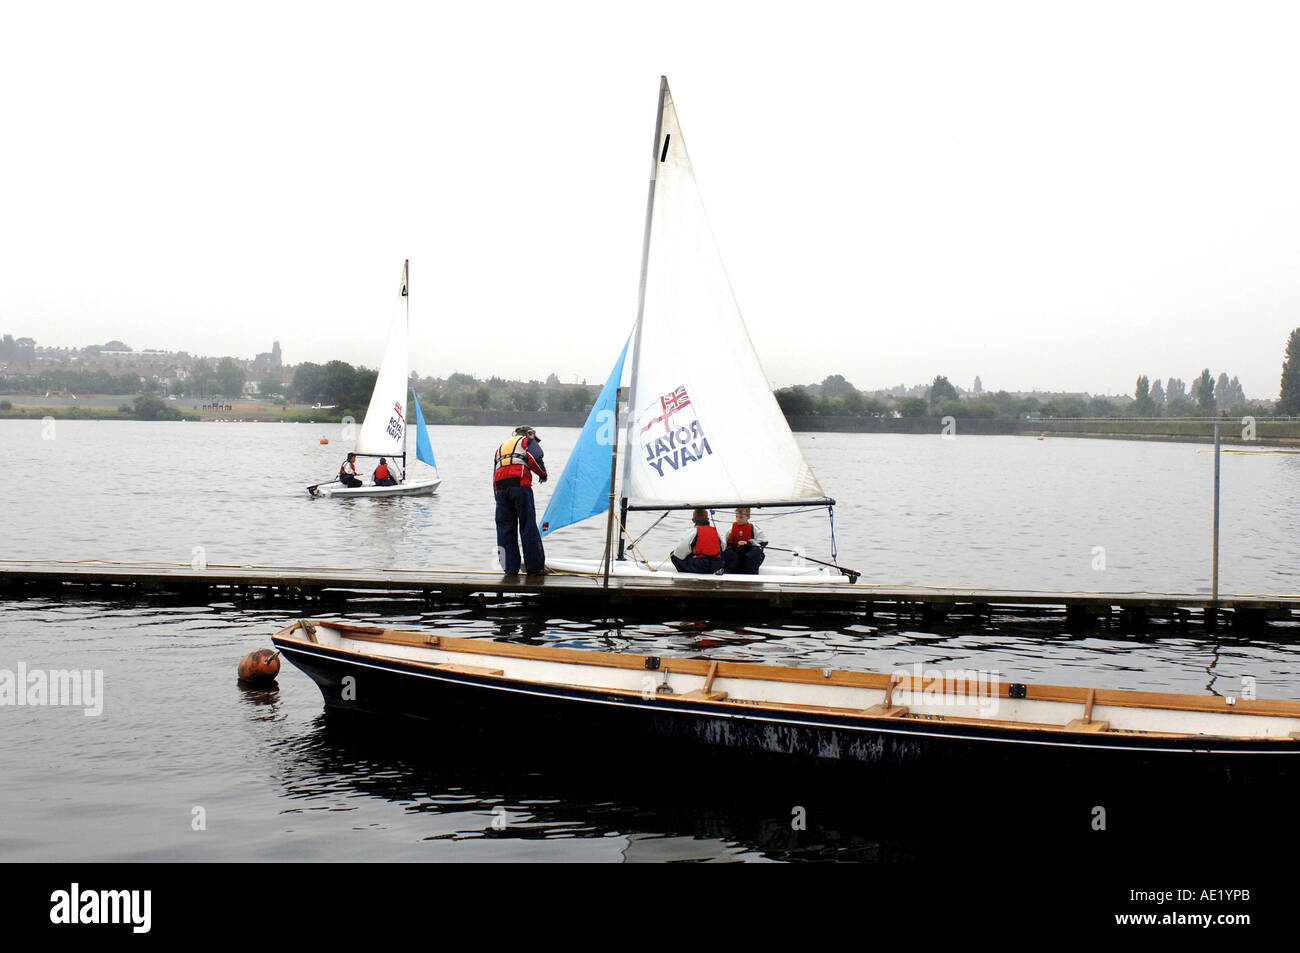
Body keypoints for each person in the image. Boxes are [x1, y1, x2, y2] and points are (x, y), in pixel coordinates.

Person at [494, 425, 548, 575]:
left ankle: (509, 569)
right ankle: (535, 568)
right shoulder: (528, 441)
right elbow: (535, 457)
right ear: (530, 434)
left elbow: (495, 470)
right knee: (527, 525)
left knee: (504, 529)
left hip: (500, 488)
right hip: (519, 485)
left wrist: (497, 496)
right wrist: (543, 474)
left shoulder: (501, 447)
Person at [670, 508, 723, 574]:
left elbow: (679, 552)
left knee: (673, 555)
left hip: (700, 566)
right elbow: (723, 546)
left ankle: (686, 575)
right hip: (715, 565)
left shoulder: (693, 531)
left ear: (693, 520)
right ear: (708, 519)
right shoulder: (715, 531)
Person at [722, 507, 767, 575]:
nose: (738, 519)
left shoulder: (754, 529)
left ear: (748, 517)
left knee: (756, 551)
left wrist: (748, 542)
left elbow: (763, 541)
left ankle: (751, 574)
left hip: (748, 558)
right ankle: (729, 573)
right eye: (736, 516)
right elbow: (723, 544)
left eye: (741, 517)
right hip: (735, 558)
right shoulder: (730, 530)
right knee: (728, 551)